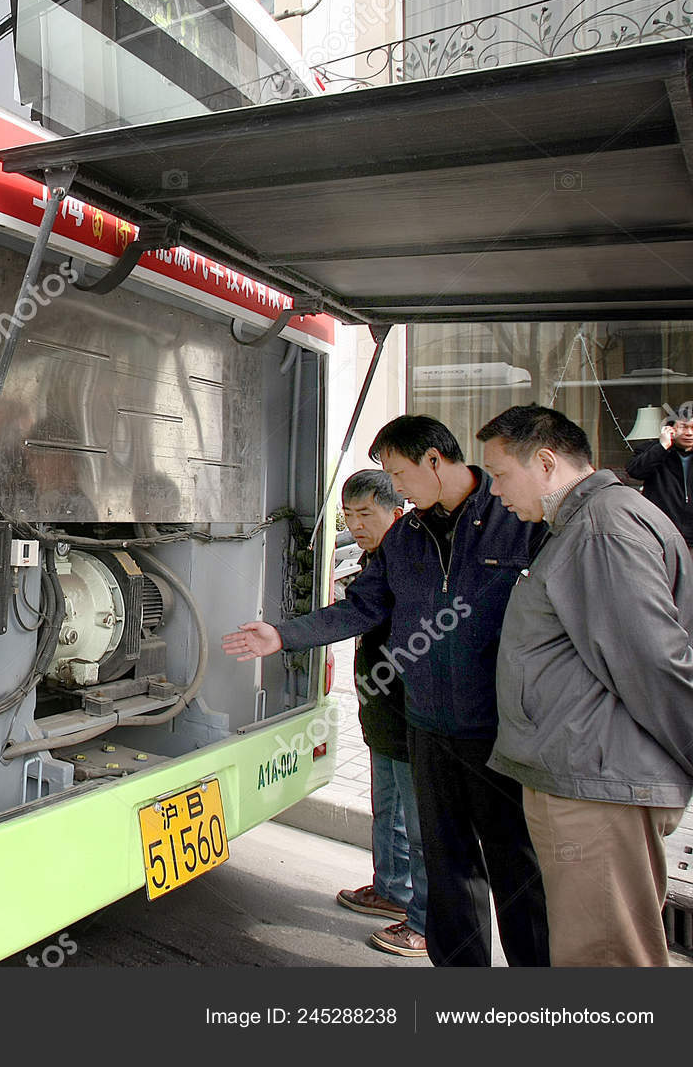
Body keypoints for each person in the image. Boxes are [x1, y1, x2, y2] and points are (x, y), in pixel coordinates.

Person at [224, 415, 550, 967]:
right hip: (426, 725)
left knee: (515, 866)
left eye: (398, 474)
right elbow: (363, 606)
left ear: (433, 460)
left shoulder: (513, 518)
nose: (395, 488)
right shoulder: (407, 537)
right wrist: (283, 634)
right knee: (448, 869)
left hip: (500, 731)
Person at [478, 404, 693, 966]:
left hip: (597, 787)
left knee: (604, 960)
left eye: (500, 474)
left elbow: (654, 664)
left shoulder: (602, 528)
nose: (494, 491)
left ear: (545, 462)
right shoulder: (584, 523)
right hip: (587, 777)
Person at [331, 470, 428, 957]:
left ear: (397, 510)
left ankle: (427, 921)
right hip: (382, 715)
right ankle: (391, 891)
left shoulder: (412, 561)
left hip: (413, 717)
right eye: (349, 515)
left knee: (420, 822)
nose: (357, 524)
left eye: (366, 514)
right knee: (387, 808)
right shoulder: (373, 558)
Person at [626, 402, 693, 549]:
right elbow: (635, 471)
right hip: (660, 537)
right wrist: (662, 447)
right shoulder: (652, 450)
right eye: (684, 427)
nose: (689, 433)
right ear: (670, 428)